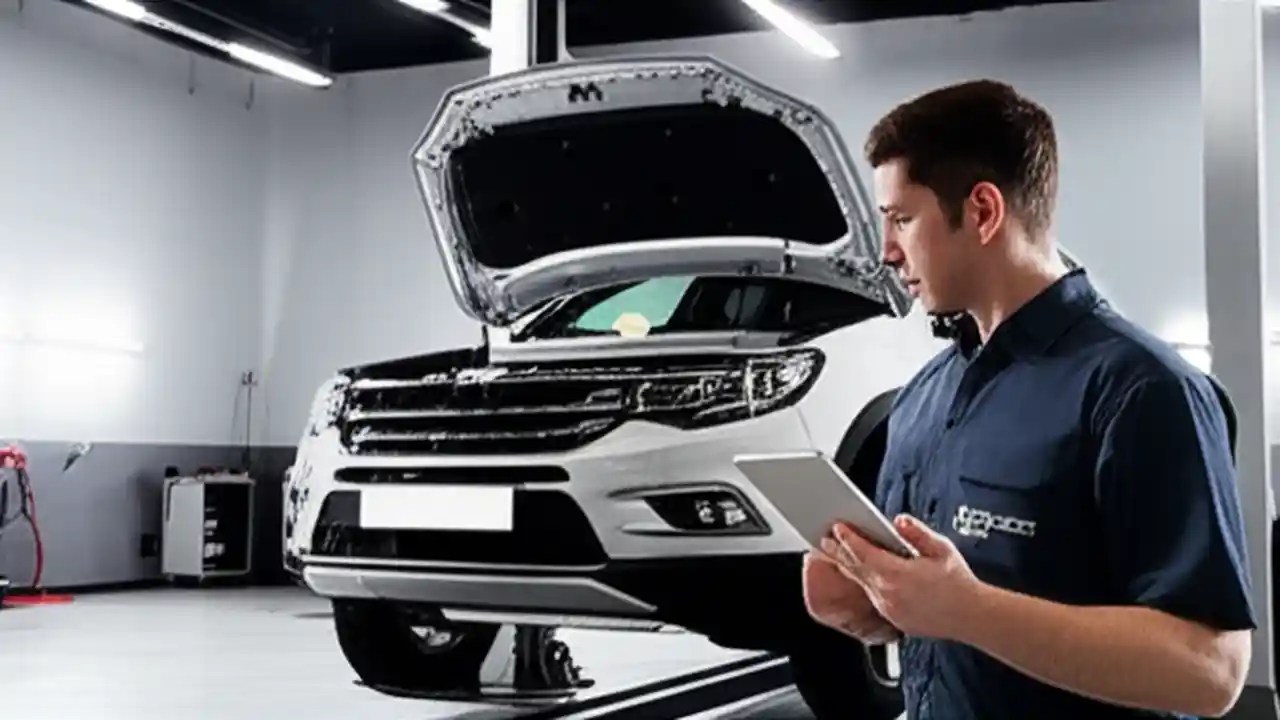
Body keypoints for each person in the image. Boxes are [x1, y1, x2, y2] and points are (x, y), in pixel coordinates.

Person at [802, 79, 1256, 719]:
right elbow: (927, 615)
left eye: (903, 218)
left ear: (983, 211)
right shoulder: (925, 397)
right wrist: (868, 601)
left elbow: (1209, 672)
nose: (887, 251)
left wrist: (968, 609)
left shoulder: (1143, 391)